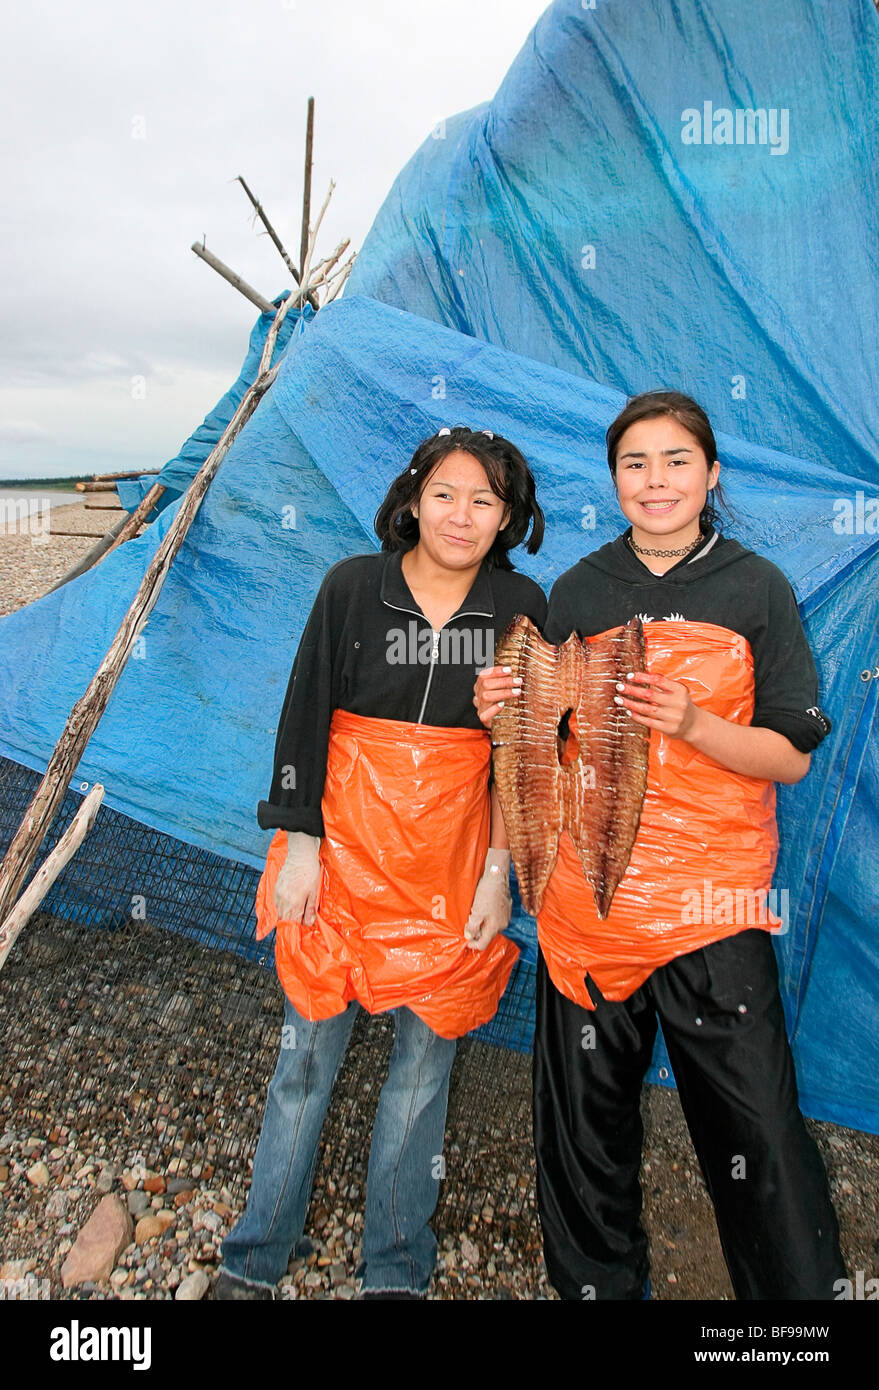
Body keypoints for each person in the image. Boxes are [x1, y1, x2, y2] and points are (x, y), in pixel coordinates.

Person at [475, 391, 846, 1301]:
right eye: (634, 464)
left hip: (711, 906)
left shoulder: (755, 587)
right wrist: (508, 714)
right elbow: (542, 744)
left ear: (710, 475)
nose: (655, 481)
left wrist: (692, 723)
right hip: (587, 904)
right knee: (583, 1129)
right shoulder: (579, 590)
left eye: (676, 461)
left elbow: (789, 757)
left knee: (757, 1131)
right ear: (613, 481)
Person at [215, 424, 547, 1300]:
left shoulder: (522, 609)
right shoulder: (351, 589)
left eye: (484, 499)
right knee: (304, 1061)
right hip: (341, 852)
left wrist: (496, 871)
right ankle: (253, 1259)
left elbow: (523, 752)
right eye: (444, 493)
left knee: (421, 1070)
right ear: (410, 500)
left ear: (507, 516)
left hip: (451, 865)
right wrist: (301, 847)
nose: (461, 514)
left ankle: (395, 1269)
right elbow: (303, 715)